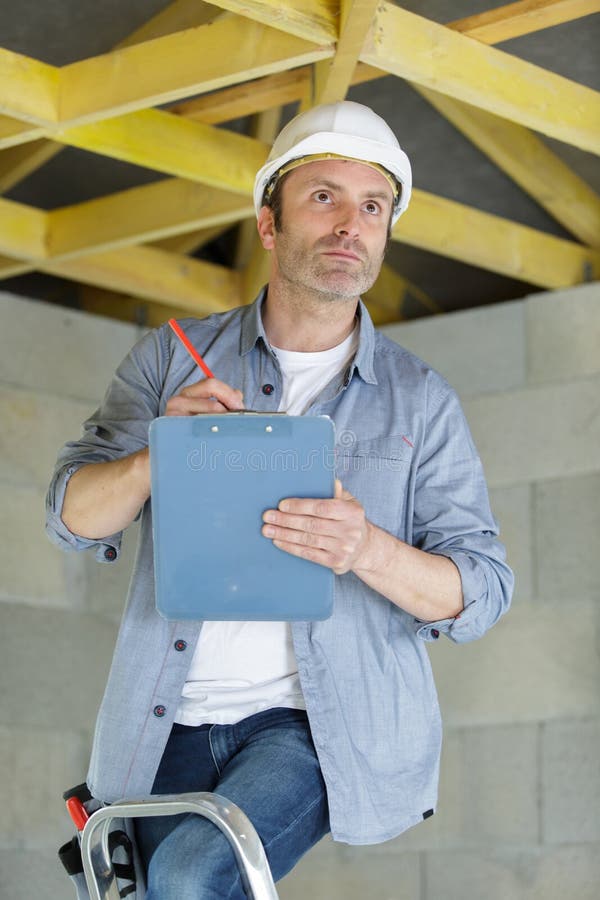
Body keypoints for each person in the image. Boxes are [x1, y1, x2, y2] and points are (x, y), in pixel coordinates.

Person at [46, 100, 513, 898]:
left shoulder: (420, 401)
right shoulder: (171, 360)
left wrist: (366, 549)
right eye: (323, 197)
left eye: (372, 207)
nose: (350, 226)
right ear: (270, 224)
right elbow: (71, 515)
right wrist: (159, 454)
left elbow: (482, 591)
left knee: (190, 879)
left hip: (312, 730)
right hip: (163, 721)